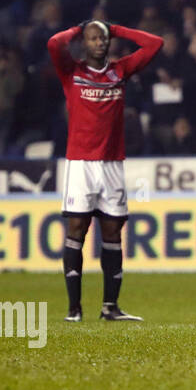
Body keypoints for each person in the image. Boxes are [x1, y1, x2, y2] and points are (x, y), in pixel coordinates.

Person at [48, 19, 163, 322]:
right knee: (77, 229)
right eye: (94, 38)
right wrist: (77, 28)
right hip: (81, 163)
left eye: (104, 38)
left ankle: (110, 307)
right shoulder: (72, 72)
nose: (100, 42)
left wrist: (116, 28)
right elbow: (53, 44)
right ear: (84, 43)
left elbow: (155, 44)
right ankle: (74, 308)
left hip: (112, 163)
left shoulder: (120, 71)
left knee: (113, 231)